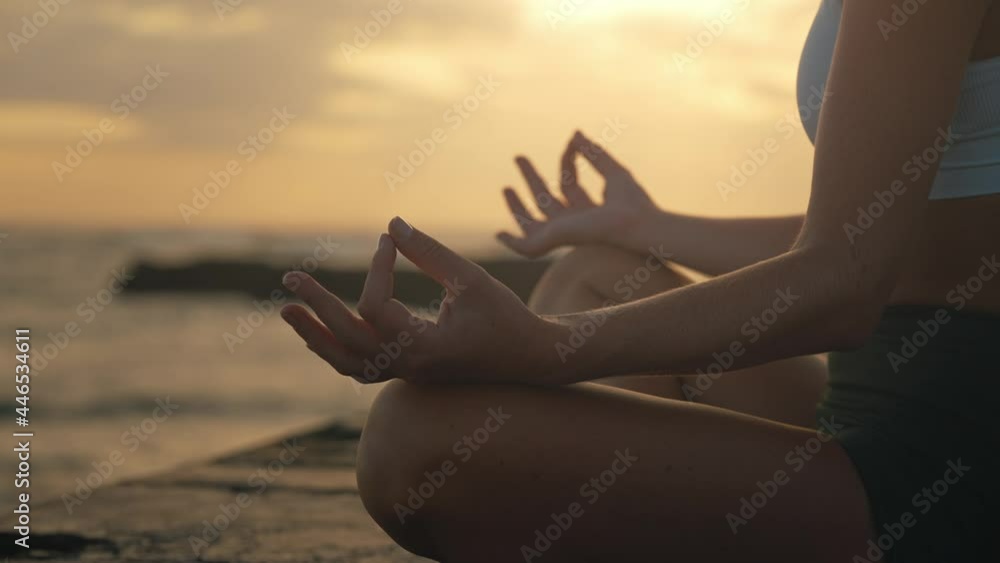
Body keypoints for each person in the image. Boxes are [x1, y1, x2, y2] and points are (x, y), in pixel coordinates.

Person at [280, 1, 1000, 561]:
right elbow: (877, 232)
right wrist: (644, 226)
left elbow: (845, 281)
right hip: (874, 399)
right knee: (596, 275)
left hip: (943, 474)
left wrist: (543, 347)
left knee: (414, 442)